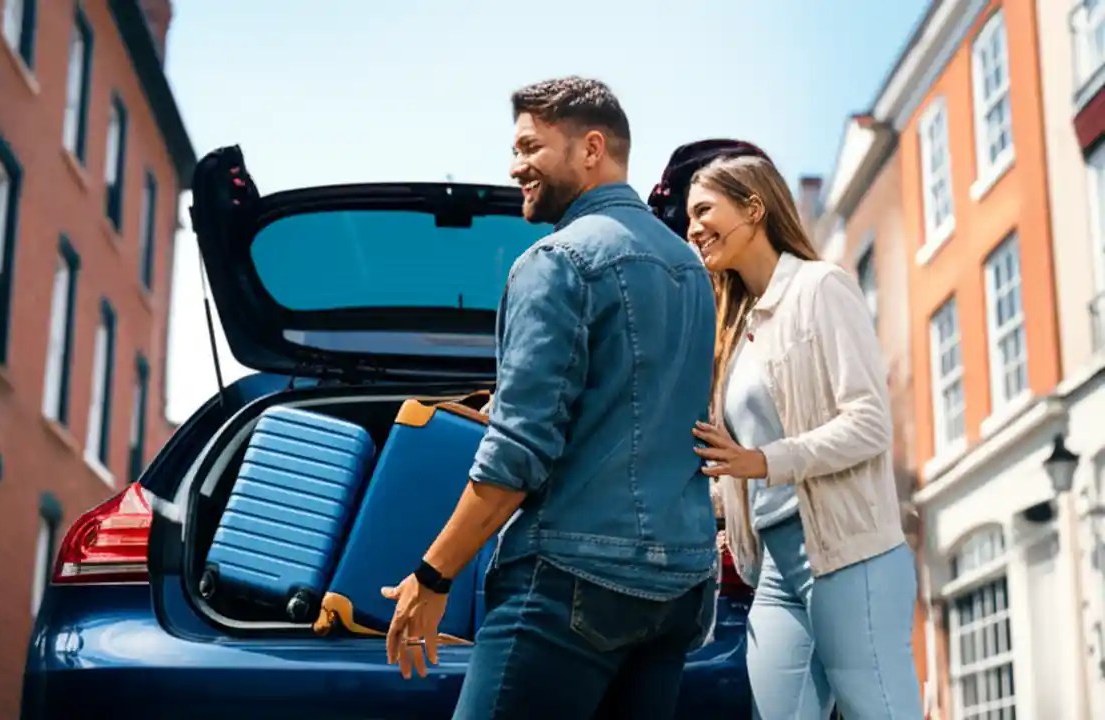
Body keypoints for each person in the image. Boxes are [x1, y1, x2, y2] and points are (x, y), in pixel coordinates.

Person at [379, 76, 719, 719]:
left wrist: (432, 575)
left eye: (531, 147)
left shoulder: (558, 261)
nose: (515, 167)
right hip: (677, 588)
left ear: (591, 149)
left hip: (572, 584)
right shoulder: (690, 269)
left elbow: (517, 454)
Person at [650, 140, 923, 719]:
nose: (692, 228)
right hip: (774, 567)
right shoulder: (738, 325)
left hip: (850, 556)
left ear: (754, 208)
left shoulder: (821, 288)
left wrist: (764, 461)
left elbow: (869, 423)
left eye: (704, 211)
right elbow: (736, 457)